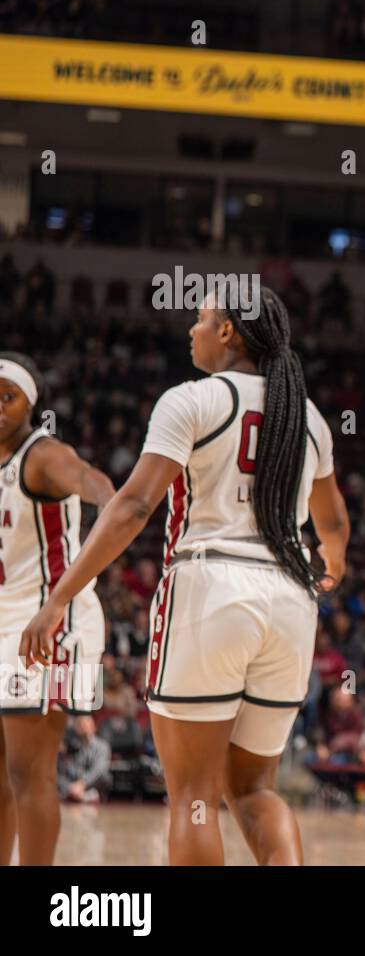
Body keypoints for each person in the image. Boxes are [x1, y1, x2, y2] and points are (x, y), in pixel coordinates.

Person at [19, 286, 350, 866]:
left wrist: (59, 599)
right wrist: (336, 563)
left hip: (211, 587)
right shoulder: (309, 417)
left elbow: (132, 507)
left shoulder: (192, 399)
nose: (189, 331)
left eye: (199, 320)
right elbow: (334, 522)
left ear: (227, 332)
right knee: (255, 789)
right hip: (291, 598)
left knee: (192, 798)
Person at [0, 351, 114, 865]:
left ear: (31, 404)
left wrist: (59, 600)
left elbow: (100, 488)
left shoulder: (43, 456)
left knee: (30, 773)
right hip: (5, 622)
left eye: (9, 397)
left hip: (44, 624)